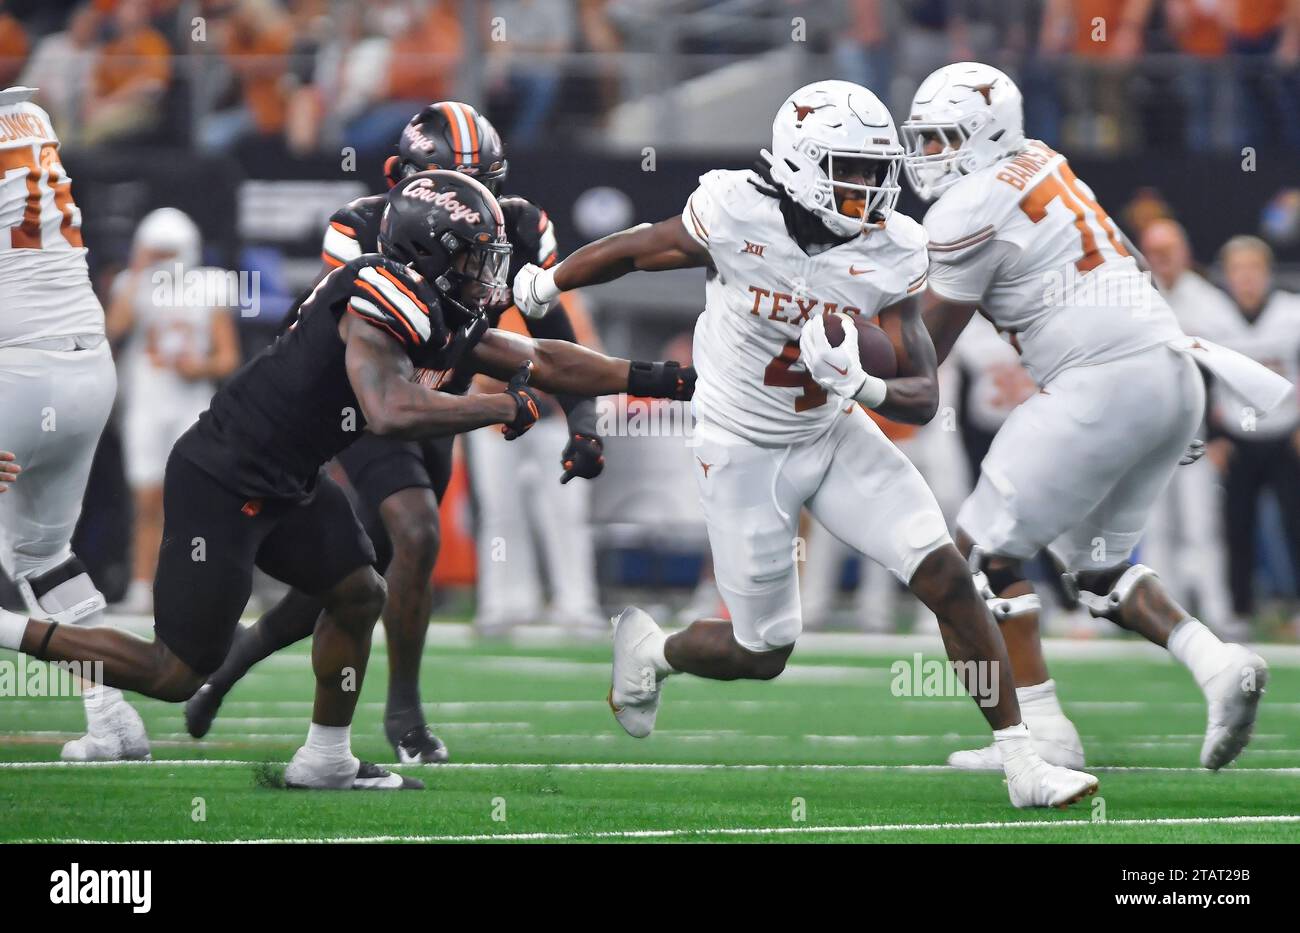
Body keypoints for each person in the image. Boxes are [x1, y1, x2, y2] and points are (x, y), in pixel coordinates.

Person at [0, 170, 694, 790]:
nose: (490, 271)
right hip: (223, 475)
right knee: (173, 671)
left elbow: (541, 356)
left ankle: (325, 757)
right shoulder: (374, 297)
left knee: (358, 591)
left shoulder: (428, 296)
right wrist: (498, 404)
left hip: (288, 475)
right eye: (477, 255)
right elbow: (390, 410)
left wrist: (665, 378)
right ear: (432, 252)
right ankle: (9, 630)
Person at [513, 79, 1100, 809]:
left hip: (830, 433)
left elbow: (923, 393)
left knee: (947, 575)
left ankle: (1023, 762)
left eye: (876, 168)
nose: (870, 186)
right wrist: (551, 281)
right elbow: (642, 248)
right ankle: (653, 651)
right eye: (850, 168)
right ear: (798, 161)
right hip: (742, 447)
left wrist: (862, 383)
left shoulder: (893, 249)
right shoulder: (735, 211)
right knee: (762, 652)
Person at [184, 101, 605, 763]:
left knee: (355, 574)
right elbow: (359, 358)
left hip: (439, 413)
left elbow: (553, 336)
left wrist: (584, 418)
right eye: (459, 186)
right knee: (416, 531)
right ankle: (405, 714)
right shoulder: (359, 229)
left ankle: (228, 665)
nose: (479, 208)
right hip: (368, 406)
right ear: (406, 180)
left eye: (488, 186)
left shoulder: (521, 226)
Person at [902, 62, 1288, 773]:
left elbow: (924, 352)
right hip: (1171, 366)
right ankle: (1216, 662)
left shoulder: (965, 209)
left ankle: (1042, 732)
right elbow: (1135, 260)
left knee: (977, 555)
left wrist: (842, 357)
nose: (928, 156)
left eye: (943, 139)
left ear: (986, 135)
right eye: (923, 140)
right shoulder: (1043, 159)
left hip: (1101, 378)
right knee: (1098, 569)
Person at [0, 85, 149, 763]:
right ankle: (111, 716)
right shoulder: (32, 121)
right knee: (41, 558)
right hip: (88, 365)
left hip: (19, 372)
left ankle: (16, 637)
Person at [105, 208, 241, 616]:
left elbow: (228, 358)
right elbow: (112, 330)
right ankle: (143, 587)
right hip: (146, 403)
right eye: (155, 252)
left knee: (193, 501)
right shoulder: (131, 285)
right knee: (146, 500)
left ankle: (198, 586)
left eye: (167, 252)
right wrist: (137, 269)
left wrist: (197, 367)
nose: (162, 261)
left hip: (190, 405)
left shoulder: (211, 286)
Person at [1138, 219, 1236, 630]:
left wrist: (1223, 435)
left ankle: (1216, 610)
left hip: (1196, 431)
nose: (1162, 259)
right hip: (1147, 431)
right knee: (1154, 526)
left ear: (1185, 251)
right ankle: (1161, 615)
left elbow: (1231, 372)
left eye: (1169, 249)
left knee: (1201, 524)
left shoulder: (1209, 302)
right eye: (1154, 250)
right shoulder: (1132, 296)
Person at [1211, 235, 1300, 630]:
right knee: (1236, 526)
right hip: (1237, 435)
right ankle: (1240, 609)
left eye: (1254, 269)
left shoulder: (1291, 313)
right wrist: (1213, 435)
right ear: (1227, 276)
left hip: (1287, 434)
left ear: (1267, 273)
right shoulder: (1215, 318)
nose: (1246, 278)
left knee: (1295, 522)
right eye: (1238, 270)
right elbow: (1204, 379)